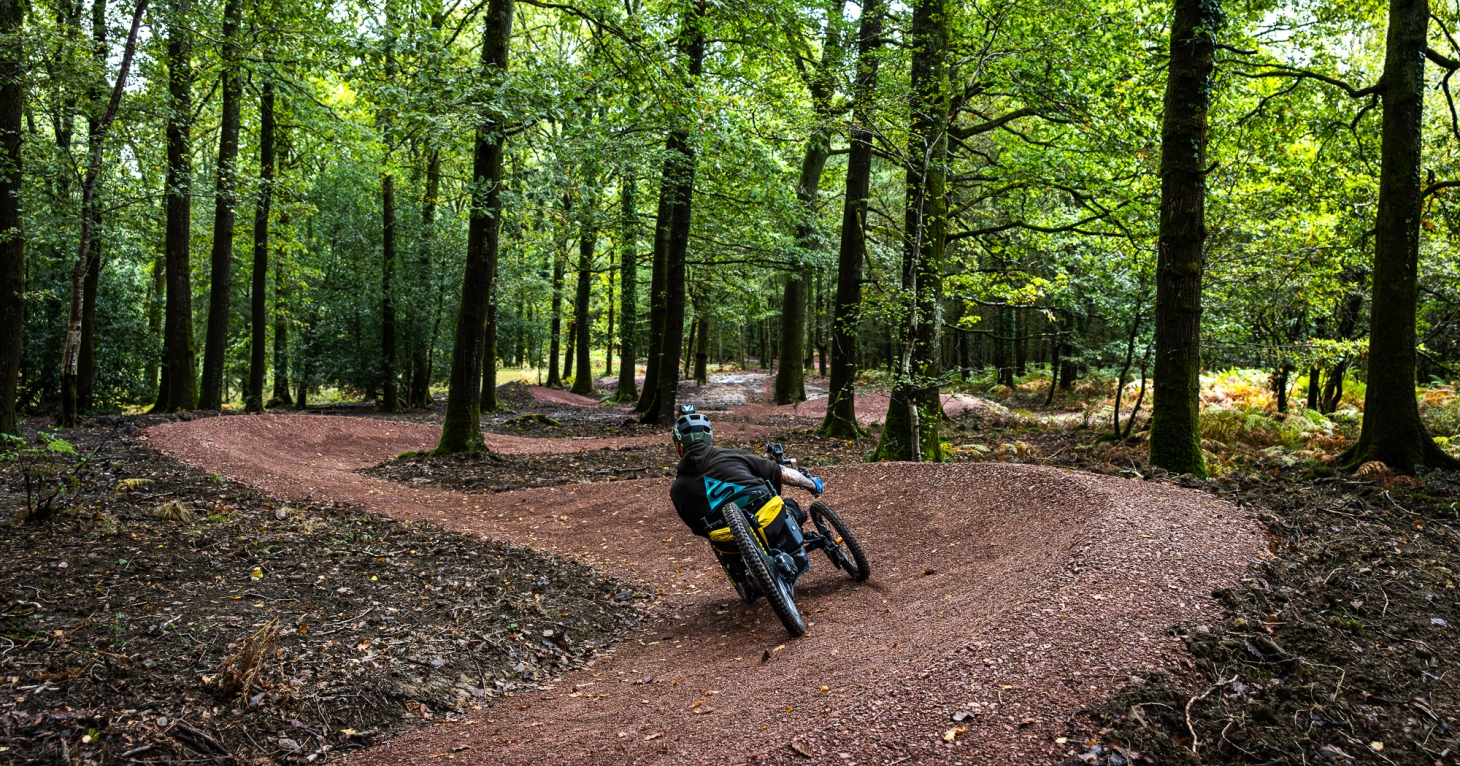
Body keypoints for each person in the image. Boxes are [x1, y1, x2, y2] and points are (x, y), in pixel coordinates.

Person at [668, 406, 823, 581]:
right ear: (708, 438)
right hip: (770, 521)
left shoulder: (677, 490)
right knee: (792, 508)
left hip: (730, 540)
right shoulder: (734, 455)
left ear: (678, 446)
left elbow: (697, 528)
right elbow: (782, 474)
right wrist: (812, 485)